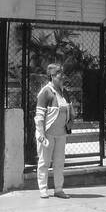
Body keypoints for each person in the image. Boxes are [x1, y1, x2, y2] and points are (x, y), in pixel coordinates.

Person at [35, 63, 72, 198]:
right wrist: (40, 133)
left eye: (62, 73)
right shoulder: (46, 91)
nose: (62, 76)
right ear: (52, 76)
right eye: (59, 74)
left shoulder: (64, 92)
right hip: (47, 134)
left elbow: (69, 109)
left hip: (61, 133)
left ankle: (58, 189)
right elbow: (39, 115)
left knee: (59, 162)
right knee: (44, 162)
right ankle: (43, 189)